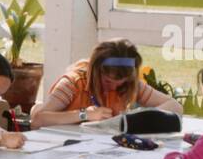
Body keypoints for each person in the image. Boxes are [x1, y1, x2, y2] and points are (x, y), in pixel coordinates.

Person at [30, 40, 183, 128]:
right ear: (96, 71)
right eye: (108, 81)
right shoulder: (73, 83)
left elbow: (174, 106)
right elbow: (37, 120)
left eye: (121, 82)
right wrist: (85, 115)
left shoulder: (127, 85)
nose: (114, 87)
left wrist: (137, 119)